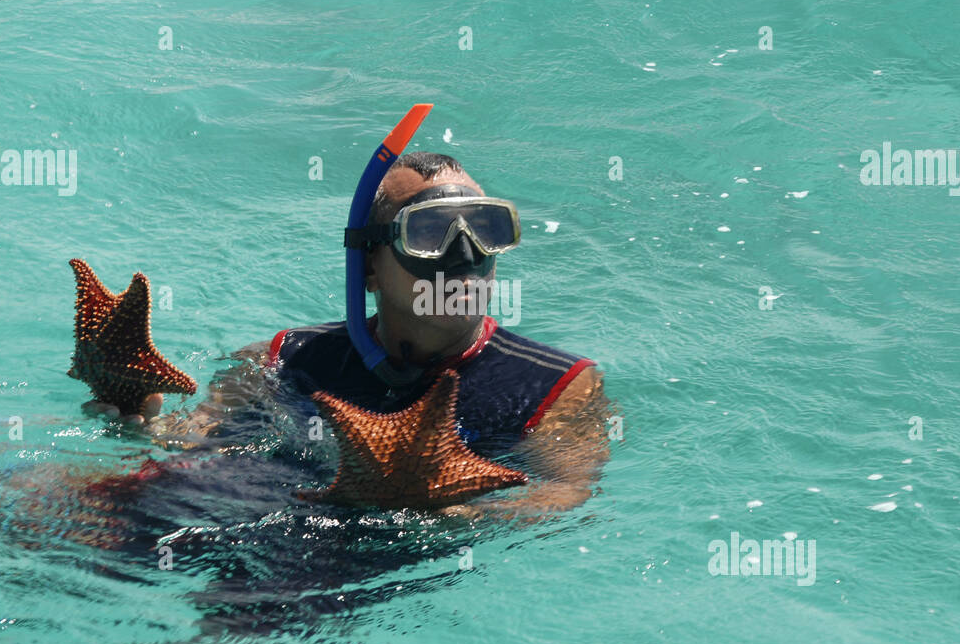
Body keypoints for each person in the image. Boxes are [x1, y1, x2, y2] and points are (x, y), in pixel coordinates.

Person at [109, 151, 611, 516]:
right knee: (62, 503)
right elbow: (191, 441)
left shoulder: (556, 388)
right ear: (369, 266)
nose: (466, 255)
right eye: (431, 233)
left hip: (357, 557)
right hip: (236, 499)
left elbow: (564, 495)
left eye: (485, 227)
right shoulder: (283, 359)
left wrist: (449, 512)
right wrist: (134, 419)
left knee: (223, 642)